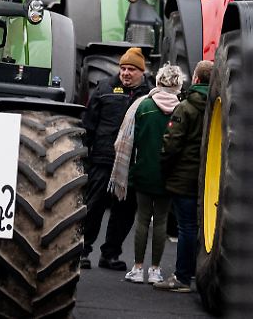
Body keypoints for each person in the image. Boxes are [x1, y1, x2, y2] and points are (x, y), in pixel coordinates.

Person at [110, 64, 184, 285]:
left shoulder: (142, 107)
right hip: (168, 175)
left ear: (159, 82)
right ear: (178, 84)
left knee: (142, 219)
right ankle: (155, 270)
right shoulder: (181, 109)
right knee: (160, 221)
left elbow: (129, 142)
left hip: (142, 171)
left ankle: (137, 267)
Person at [80, 47, 150, 271]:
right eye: (123, 68)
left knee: (124, 211)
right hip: (103, 158)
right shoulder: (104, 88)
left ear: (142, 71)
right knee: (93, 207)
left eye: (131, 69)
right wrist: (85, 153)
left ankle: (110, 254)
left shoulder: (150, 95)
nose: (126, 73)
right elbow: (89, 123)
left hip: (131, 163)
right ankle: (82, 250)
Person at [154, 60, 213, 292]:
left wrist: (164, 166)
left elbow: (172, 143)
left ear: (196, 79)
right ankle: (199, 273)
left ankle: (181, 277)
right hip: (209, 177)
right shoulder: (219, 104)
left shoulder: (186, 107)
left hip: (184, 175)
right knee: (202, 228)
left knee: (186, 227)